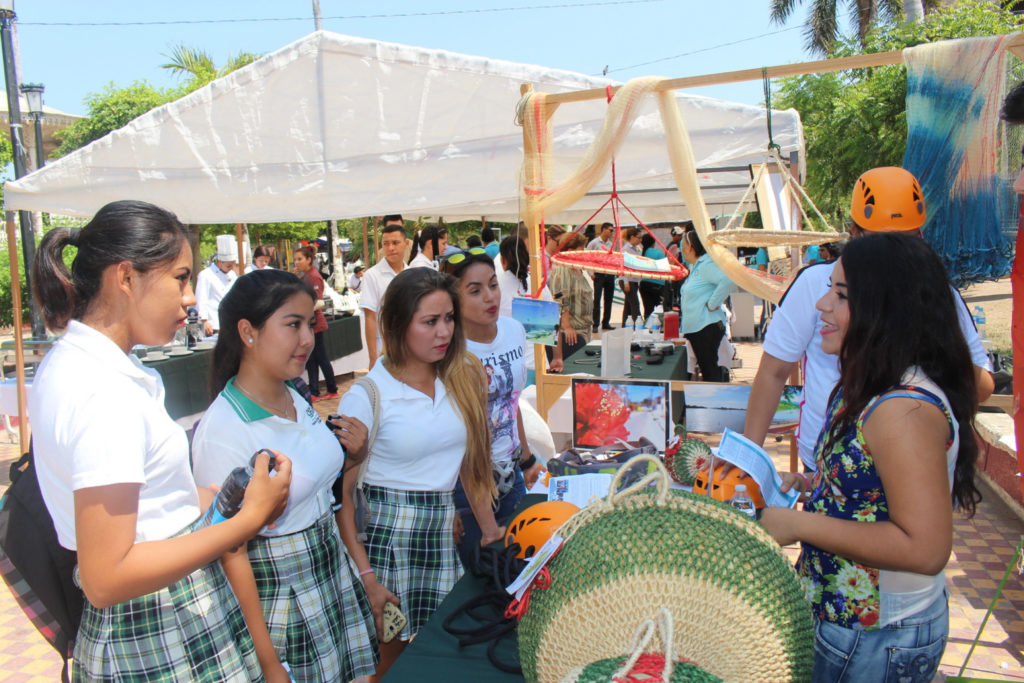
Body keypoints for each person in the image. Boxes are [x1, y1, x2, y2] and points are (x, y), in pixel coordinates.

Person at [29, 200, 292, 681]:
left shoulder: (86, 367)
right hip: (155, 628)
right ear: (125, 278)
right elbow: (107, 577)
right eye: (180, 278)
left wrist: (208, 499)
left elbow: (142, 504)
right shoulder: (101, 391)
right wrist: (247, 519)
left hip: (162, 617)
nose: (190, 298)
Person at [760, 233, 980, 681]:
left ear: (886, 310)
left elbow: (925, 548)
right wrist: (816, 487)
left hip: (877, 635)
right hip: (851, 625)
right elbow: (872, 490)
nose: (822, 305)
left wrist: (799, 524)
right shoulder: (871, 383)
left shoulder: (903, 409)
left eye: (840, 295)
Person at [743, 167, 994, 472]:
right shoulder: (815, 284)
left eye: (904, 239)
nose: (891, 253)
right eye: (879, 240)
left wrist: (928, 340)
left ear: (919, 236)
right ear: (855, 233)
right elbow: (773, 372)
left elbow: (979, 385)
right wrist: (748, 459)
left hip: (908, 461)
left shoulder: (936, 294)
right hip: (827, 463)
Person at [193, 269, 377, 682]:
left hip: (328, 569)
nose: (308, 338)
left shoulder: (292, 394)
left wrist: (355, 456)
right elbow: (227, 550)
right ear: (247, 331)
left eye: (310, 324)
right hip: (280, 597)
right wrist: (268, 662)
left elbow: (318, 489)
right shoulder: (224, 431)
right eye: (292, 324)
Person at [337, 267, 500, 679]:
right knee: (390, 666)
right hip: (385, 545)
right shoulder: (367, 396)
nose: (444, 331)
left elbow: (472, 465)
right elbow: (341, 503)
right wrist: (368, 577)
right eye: (430, 321)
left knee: (444, 655)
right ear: (397, 324)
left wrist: (490, 531)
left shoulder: (462, 374)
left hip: (443, 535)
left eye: (449, 319)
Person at [442, 249, 544, 569]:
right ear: (453, 301)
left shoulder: (514, 331)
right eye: (474, 291)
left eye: (493, 285)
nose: (490, 297)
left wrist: (526, 459)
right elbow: (464, 443)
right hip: (468, 487)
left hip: (510, 474)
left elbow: (511, 403)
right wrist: (487, 526)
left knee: (521, 567)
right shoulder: (449, 352)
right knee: (485, 578)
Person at [680, 230, 733, 381]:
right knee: (707, 370)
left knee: (710, 373)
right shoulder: (695, 266)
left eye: (683, 245)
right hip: (697, 328)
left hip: (706, 328)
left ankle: (714, 402)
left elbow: (729, 280)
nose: (681, 249)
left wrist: (713, 303)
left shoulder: (706, 264)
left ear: (690, 247)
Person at [361, 221, 410, 368]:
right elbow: (370, 317)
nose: (391, 248)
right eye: (386, 244)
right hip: (385, 349)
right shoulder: (372, 275)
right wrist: (372, 357)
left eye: (395, 242)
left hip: (411, 347)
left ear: (406, 244)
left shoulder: (411, 274)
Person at [294, 245, 338, 400]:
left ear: (309, 259)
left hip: (316, 324)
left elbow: (319, 302)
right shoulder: (305, 275)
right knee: (311, 359)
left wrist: (303, 311)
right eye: (296, 259)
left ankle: (332, 388)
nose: (297, 262)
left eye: (300, 259)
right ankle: (314, 391)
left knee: (321, 358)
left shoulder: (313, 276)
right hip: (308, 324)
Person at [547, 232, 593, 369]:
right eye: (580, 250)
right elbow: (560, 297)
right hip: (573, 332)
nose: (583, 253)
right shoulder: (564, 268)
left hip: (582, 328)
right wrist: (567, 326)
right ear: (570, 250)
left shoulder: (576, 268)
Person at [196, 234, 239, 335]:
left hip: (230, 321)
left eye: (233, 265)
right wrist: (204, 320)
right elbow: (201, 298)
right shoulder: (205, 275)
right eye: (229, 266)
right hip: (213, 323)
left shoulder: (232, 274)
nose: (231, 268)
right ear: (220, 262)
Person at [588, 222, 616, 331]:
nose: (612, 232)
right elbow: (588, 257)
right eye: (610, 230)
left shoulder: (611, 244)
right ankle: (595, 324)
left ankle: (606, 322)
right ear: (604, 229)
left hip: (609, 274)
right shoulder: (594, 243)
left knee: (608, 299)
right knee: (597, 300)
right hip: (599, 274)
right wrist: (591, 273)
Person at [619, 227, 643, 326]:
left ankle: (625, 325)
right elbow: (622, 266)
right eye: (639, 238)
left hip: (634, 280)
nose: (640, 240)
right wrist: (626, 282)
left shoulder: (637, 248)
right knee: (635, 304)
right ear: (632, 237)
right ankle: (639, 324)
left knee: (628, 305)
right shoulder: (625, 249)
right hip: (627, 280)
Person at [638, 233, 664, 321]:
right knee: (660, 308)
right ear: (653, 243)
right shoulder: (658, 254)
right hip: (657, 284)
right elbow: (664, 269)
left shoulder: (640, 254)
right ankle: (659, 327)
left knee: (648, 309)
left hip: (643, 284)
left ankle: (647, 328)